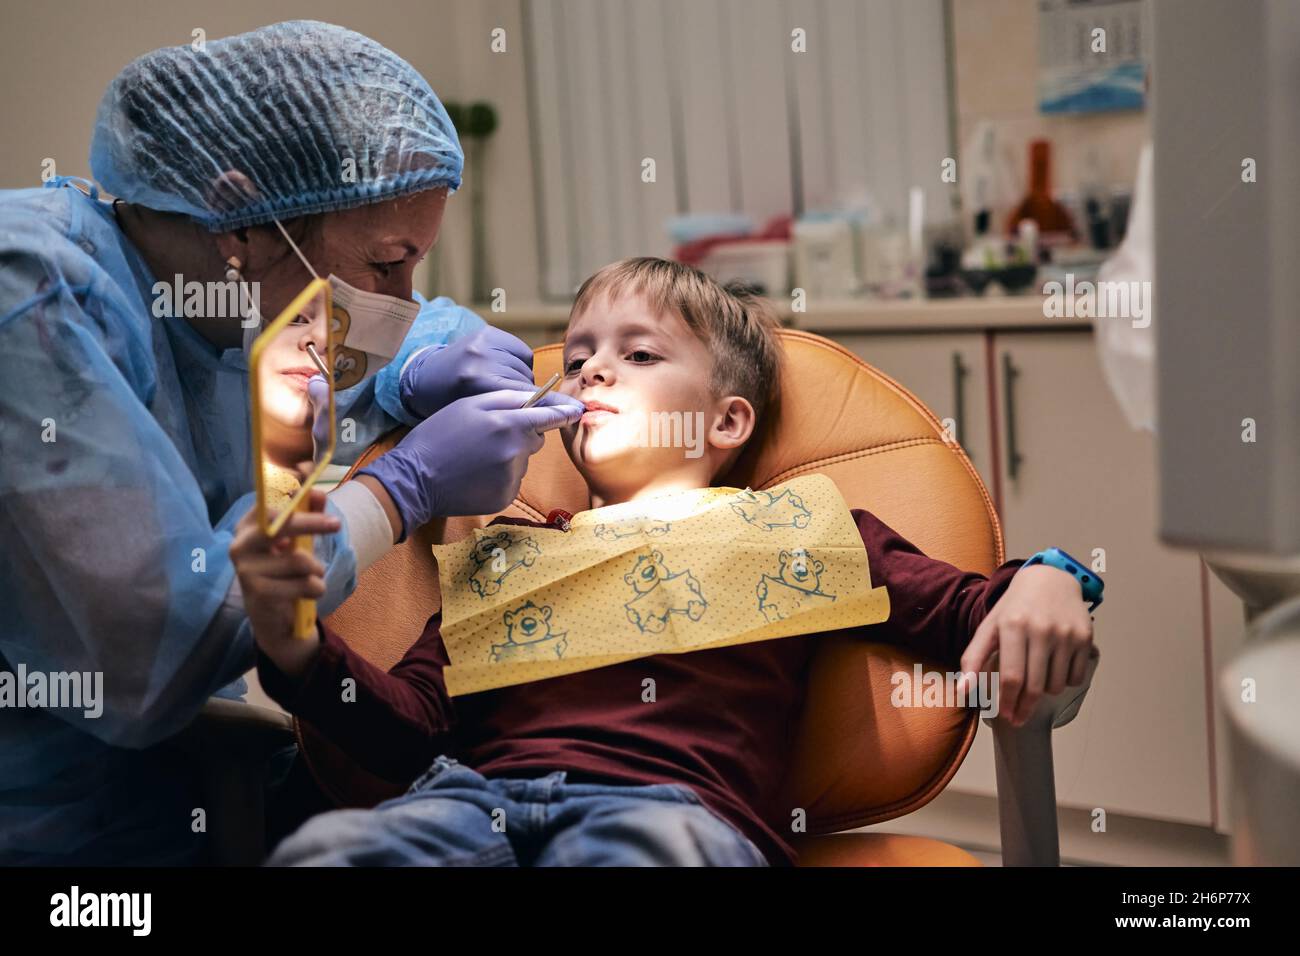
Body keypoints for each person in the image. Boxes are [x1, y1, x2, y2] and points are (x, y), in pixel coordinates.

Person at [235, 257, 1098, 866]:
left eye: (638, 356)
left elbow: (972, 608)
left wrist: (1053, 578)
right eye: (577, 359)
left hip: (673, 818)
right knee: (329, 850)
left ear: (725, 422)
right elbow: (407, 729)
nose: (592, 373)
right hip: (466, 806)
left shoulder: (796, 530)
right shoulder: (505, 554)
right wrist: (295, 646)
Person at [0, 20, 581, 865]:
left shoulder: (230, 300)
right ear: (240, 223)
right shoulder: (31, 304)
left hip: (187, 803)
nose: (404, 296)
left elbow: (329, 351)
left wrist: (418, 359)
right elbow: (152, 653)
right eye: (389, 268)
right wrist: (399, 491)